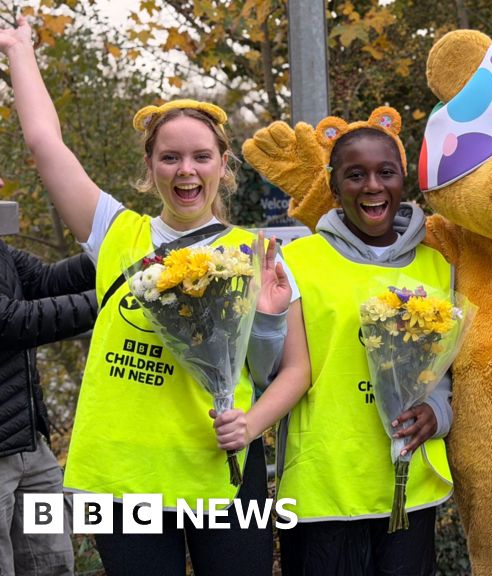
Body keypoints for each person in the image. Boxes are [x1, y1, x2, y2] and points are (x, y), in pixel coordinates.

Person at [0, 17, 293, 576]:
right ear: (150, 167)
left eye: (201, 157)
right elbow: (43, 143)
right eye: (169, 157)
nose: (186, 171)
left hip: (222, 466)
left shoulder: (258, 255)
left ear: (222, 165)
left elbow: (278, 370)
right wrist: (18, 48)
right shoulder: (116, 233)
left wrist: (269, 331)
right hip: (126, 475)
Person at [215, 108, 454, 576]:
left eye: (385, 172)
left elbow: (448, 372)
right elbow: (267, 374)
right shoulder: (299, 260)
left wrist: (438, 412)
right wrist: (267, 318)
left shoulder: (438, 264)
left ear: (403, 179)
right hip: (323, 486)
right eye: (355, 174)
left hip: (410, 484)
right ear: (332, 186)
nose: (372, 186)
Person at [0, 222, 96, 576]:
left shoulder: (2, 251)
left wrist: (116, 250)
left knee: (53, 564)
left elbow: (46, 281)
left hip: (29, 445)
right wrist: (116, 298)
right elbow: (12, 321)